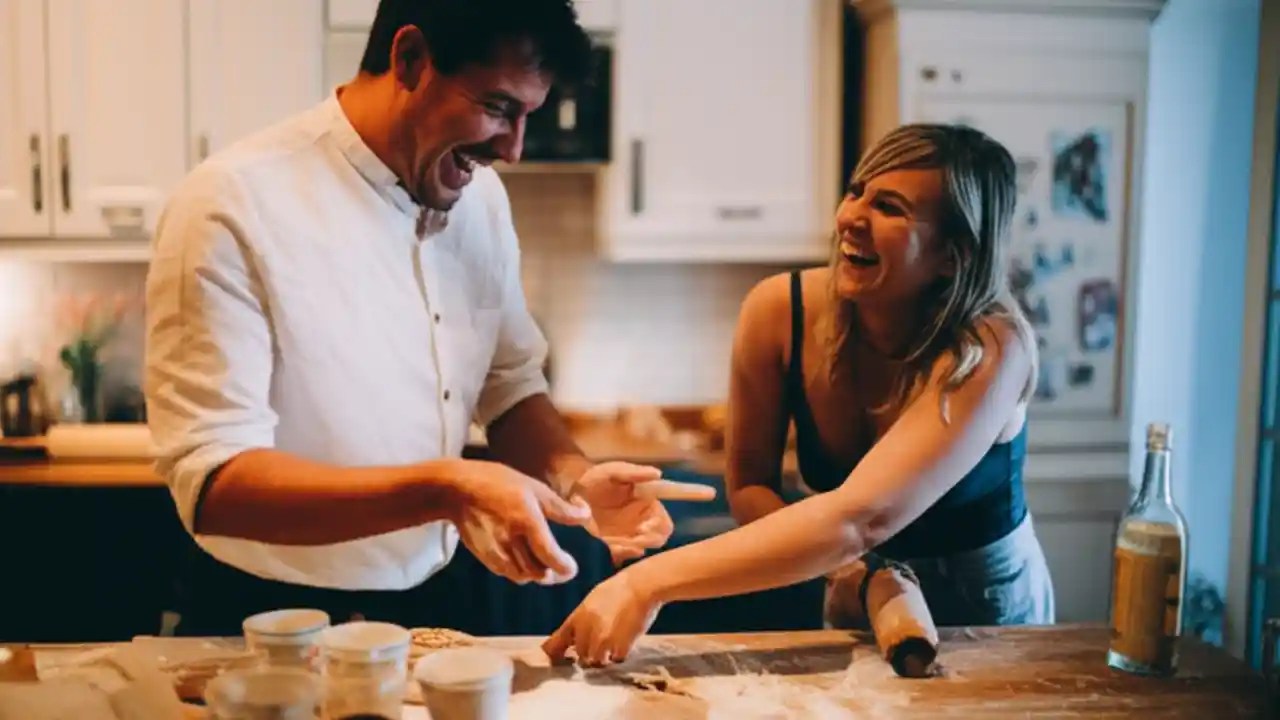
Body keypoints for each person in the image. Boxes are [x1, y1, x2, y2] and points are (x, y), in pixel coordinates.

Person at [144, 0, 680, 636]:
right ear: (410, 60)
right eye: (498, 107)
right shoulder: (230, 203)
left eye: (526, 117)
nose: (512, 149)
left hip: (434, 603)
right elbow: (215, 485)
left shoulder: (481, 201)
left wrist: (576, 478)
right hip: (263, 618)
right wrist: (447, 488)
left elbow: (509, 385)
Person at [544, 124, 1055, 665]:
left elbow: (862, 520)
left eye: (889, 207)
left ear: (952, 255)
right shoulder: (779, 312)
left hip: (984, 613)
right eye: (856, 191)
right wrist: (856, 574)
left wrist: (644, 583)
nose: (850, 217)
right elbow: (751, 488)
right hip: (855, 591)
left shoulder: (991, 349)